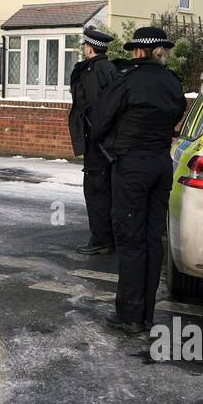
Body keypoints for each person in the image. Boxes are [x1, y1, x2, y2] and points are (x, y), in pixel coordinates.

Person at [88, 26, 187, 331]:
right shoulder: (172, 81)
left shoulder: (127, 81)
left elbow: (101, 120)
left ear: (139, 51)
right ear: (160, 51)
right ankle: (146, 313)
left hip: (132, 166)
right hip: (161, 163)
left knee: (131, 240)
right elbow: (178, 112)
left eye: (133, 50)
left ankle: (130, 315)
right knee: (152, 238)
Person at [66, 25, 119, 255]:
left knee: (96, 191)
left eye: (85, 47)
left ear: (90, 49)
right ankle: (109, 237)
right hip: (108, 142)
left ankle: (101, 240)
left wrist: (94, 137)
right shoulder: (110, 68)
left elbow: (96, 109)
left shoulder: (92, 72)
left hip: (97, 142)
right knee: (108, 190)